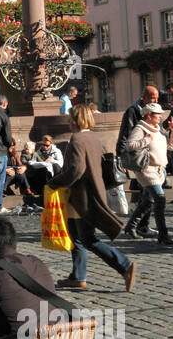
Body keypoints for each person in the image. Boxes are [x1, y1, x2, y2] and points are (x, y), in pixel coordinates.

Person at [53, 105, 136, 291]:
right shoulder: (93, 137)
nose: (68, 121)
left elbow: (76, 170)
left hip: (81, 197)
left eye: (70, 118)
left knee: (87, 238)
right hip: (87, 195)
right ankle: (77, 276)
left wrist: (54, 182)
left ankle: (125, 265)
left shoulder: (77, 139)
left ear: (76, 120)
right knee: (77, 237)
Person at [123, 102, 173, 246]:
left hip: (160, 170)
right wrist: (146, 140)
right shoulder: (140, 128)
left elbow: (170, 147)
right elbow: (129, 145)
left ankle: (130, 227)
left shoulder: (157, 129)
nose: (160, 117)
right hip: (147, 170)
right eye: (158, 115)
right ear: (149, 115)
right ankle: (163, 235)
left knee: (148, 201)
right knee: (160, 199)